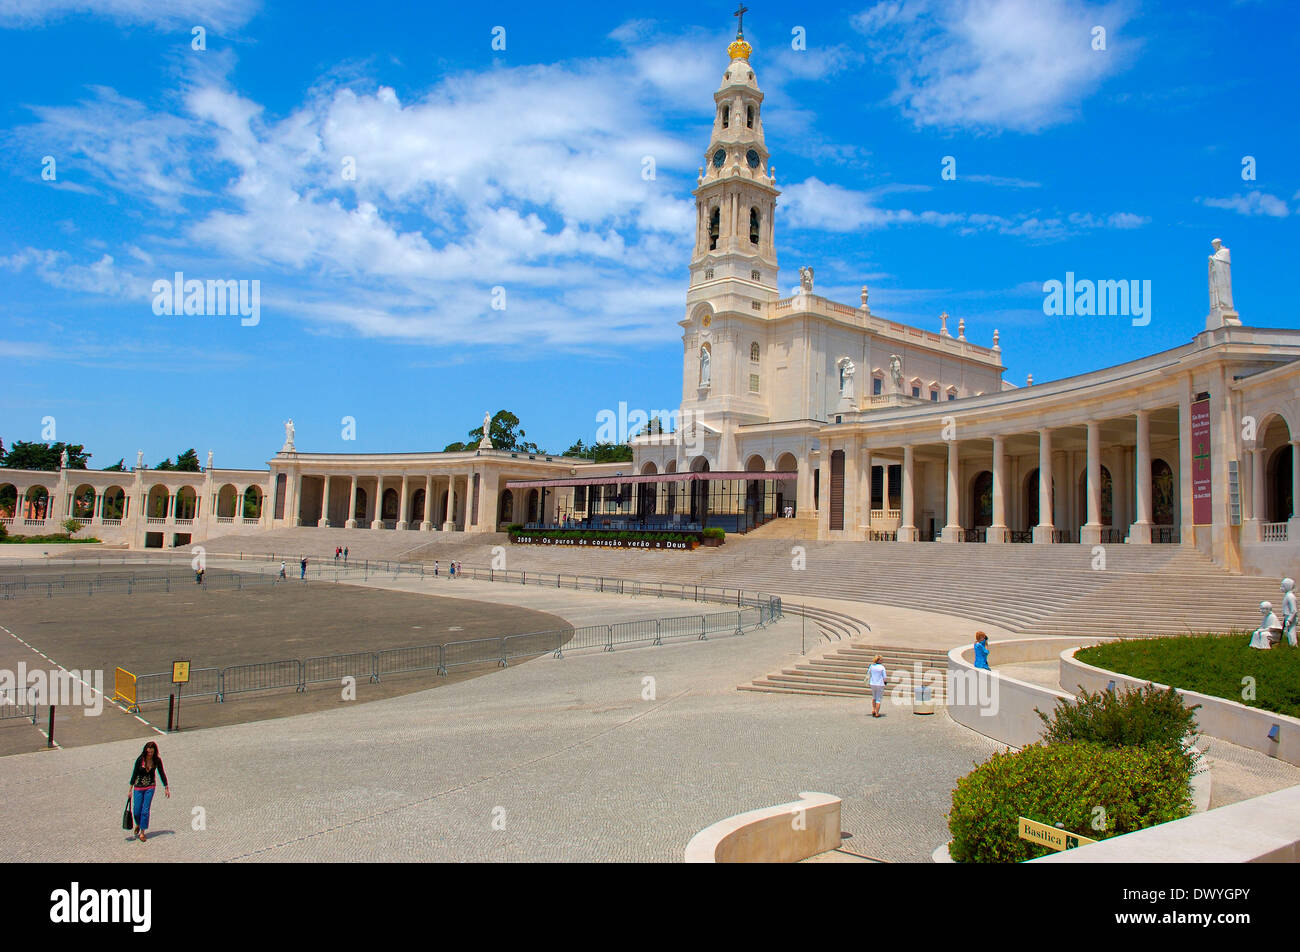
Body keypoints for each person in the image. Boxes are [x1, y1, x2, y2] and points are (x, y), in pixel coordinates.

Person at [127, 741, 170, 843]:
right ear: (145, 751)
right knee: (137, 810)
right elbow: (134, 773)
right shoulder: (140, 760)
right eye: (148, 752)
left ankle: (142, 831)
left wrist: (166, 786)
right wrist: (130, 789)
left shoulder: (157, 760)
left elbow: (161, 773)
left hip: (150, 787)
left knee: (145, 810)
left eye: (152, 752)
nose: (150, 754)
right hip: (138, 787)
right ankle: (138, 823)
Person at [1281, 578, 1297, 648]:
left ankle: (1293, 646)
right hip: (1287, 616)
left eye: (1283, 586)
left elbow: (1294, 610)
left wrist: (1289, 620)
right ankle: (1291, 645)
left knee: (1291, 632)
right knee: (1288, 632)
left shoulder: (1290, 596)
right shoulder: (1287, 595)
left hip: (1290, 617)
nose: (1281, 588)